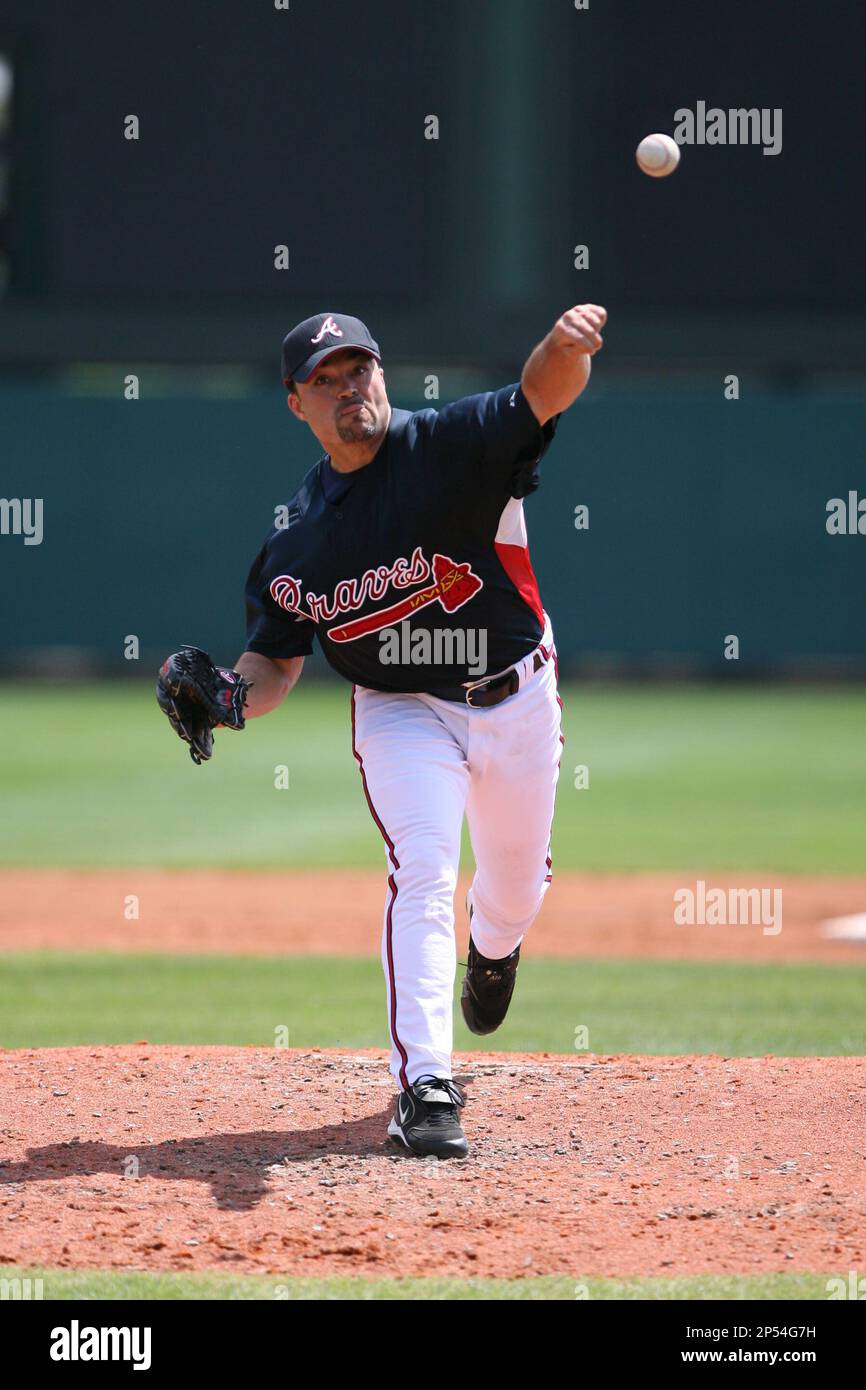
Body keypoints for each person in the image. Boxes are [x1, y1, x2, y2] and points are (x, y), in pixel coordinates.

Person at [156, 304, 606, 1160]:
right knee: (425, 866)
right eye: (323, 380)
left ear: (382, 374)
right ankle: (425, 1086)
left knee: (513, 893)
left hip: (516, 695)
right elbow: (275, 663)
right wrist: (227, 697)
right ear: (296, 403)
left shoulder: (450, 443)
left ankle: (496, 947)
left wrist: (562, 345)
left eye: (357, 370)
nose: (346, 389)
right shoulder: (299, 541)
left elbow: (541, 396)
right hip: (400, 708)